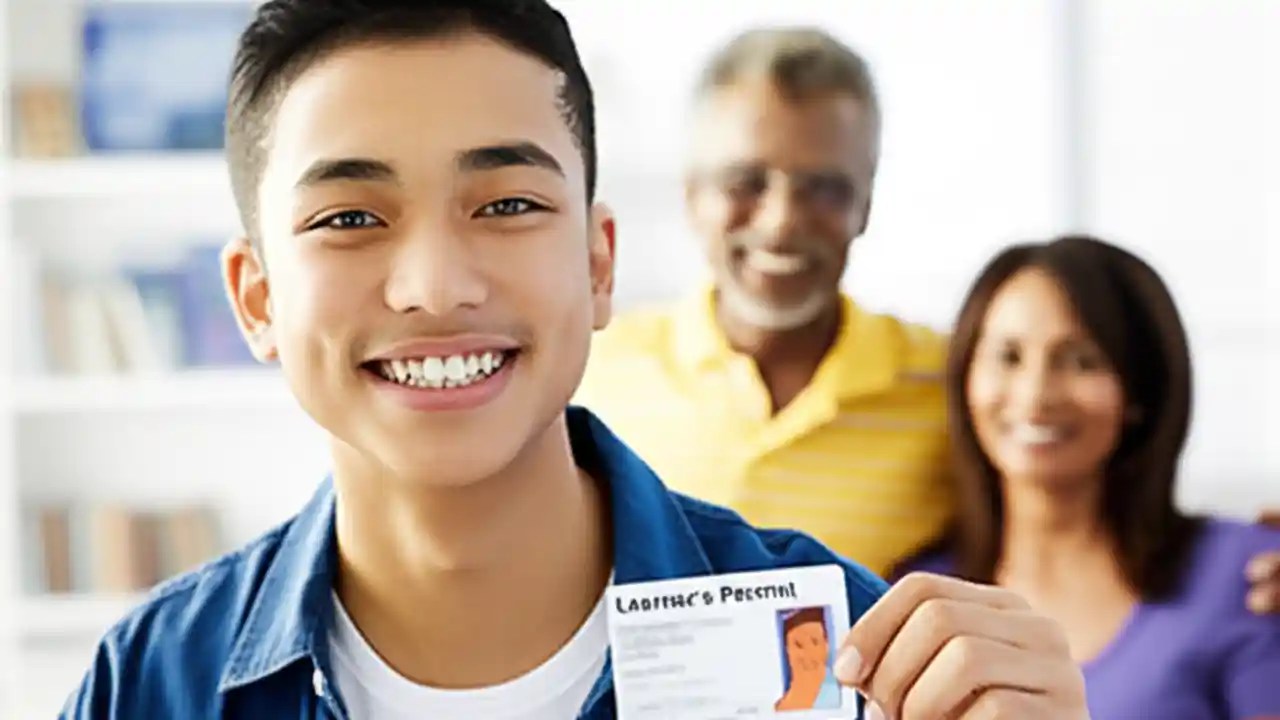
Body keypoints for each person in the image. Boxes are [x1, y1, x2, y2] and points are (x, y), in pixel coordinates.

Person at [59, 2, 1087, 719]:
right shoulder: (148, 683)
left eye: (506, 205)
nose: (436, 284)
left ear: (599, 262)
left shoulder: (863, 663)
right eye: (349, 216)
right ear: (256, 298)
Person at [573, 25, 1280, 608]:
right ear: (692, 194)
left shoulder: (959, 385)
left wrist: (1249, 564)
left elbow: (1094, 521)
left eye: (824, 187)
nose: (783, 222)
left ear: (867, 201)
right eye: (745, 182)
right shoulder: (591, 372)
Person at [899, 235, 1280, 719]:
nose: (1036, 395)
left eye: (1081, 360)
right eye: (1008, 357)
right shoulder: (920, 599)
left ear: (1139, 390)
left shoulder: (1249, 576)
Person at [774, 607, 841, 711]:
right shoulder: (780, 707)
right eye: (798, 645)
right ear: (787, 650)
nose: (808, 653)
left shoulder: (838, 697)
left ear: (826, 645)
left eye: (815, 642)